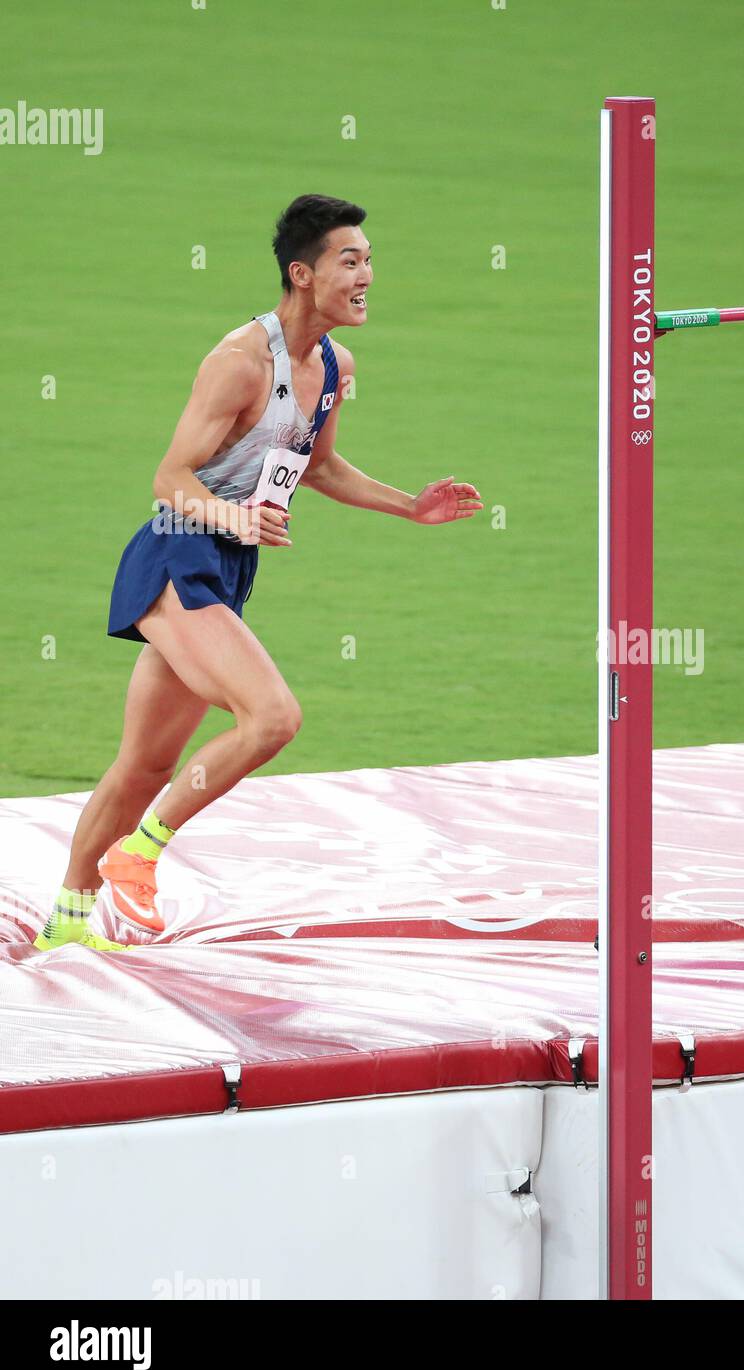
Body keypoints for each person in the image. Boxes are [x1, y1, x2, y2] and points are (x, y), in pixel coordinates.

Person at [35, 194, 482, 951]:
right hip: (178, 550)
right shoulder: (240, 362)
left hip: (225, 566)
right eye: (351, 261)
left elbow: (323, 466)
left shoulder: (335, 364)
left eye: (370, 260)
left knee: (144, 765)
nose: (368, 274)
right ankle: (138, 855)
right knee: (273, 718)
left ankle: (66, 923)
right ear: (302, 275)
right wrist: (235, 517)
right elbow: (170, 476)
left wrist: (409, 507)